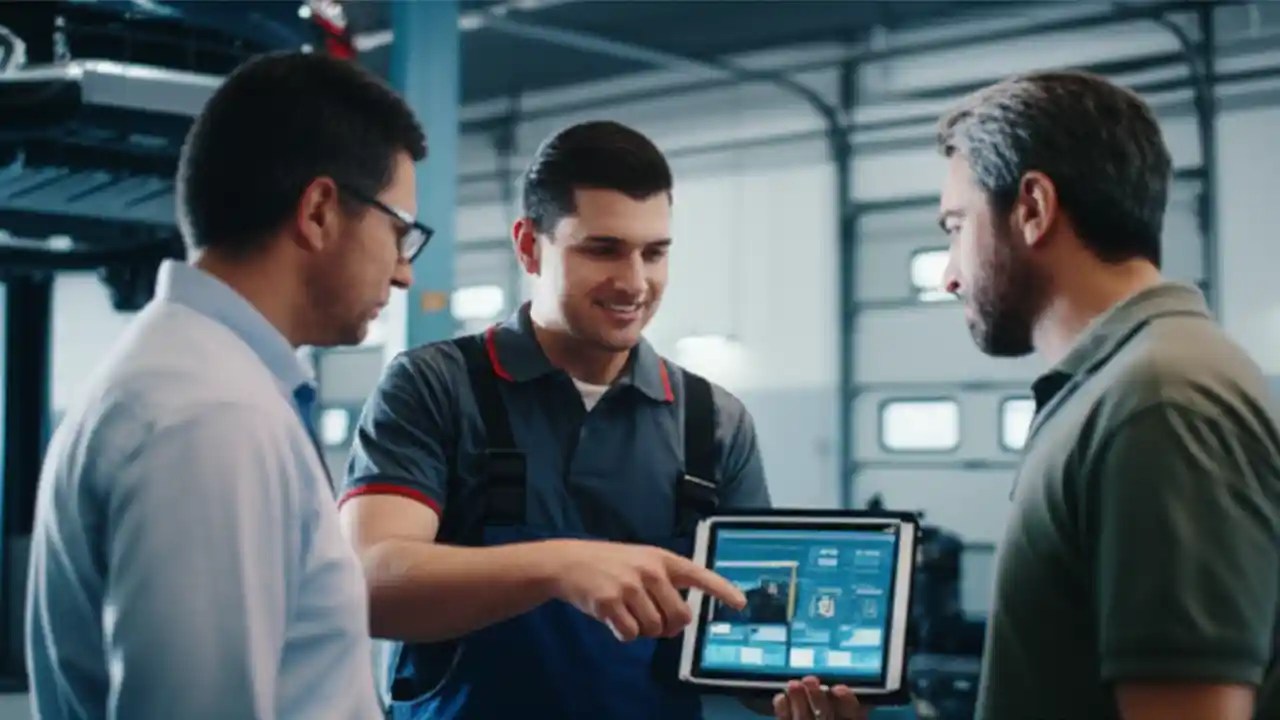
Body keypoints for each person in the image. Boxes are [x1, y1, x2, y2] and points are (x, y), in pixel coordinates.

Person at [339, 120, 865, 720]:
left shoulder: (713, 421)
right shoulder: (434, 387)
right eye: (603, 249)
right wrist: (560, 566)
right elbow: (366, 584)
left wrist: (801, 694)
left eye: (655, 252)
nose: (635, 283)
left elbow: (743, 637)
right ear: (529, 245)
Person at [24, 51, 429, 719]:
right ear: (321, 210)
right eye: (399, 234)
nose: (403, 273)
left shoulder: (188, 380)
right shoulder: (210, 417)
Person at [935, 69, 1280, 720]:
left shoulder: (1163, 399)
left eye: (956, 227)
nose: (951, 275)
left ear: (1033, 208)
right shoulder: (1112, 389)